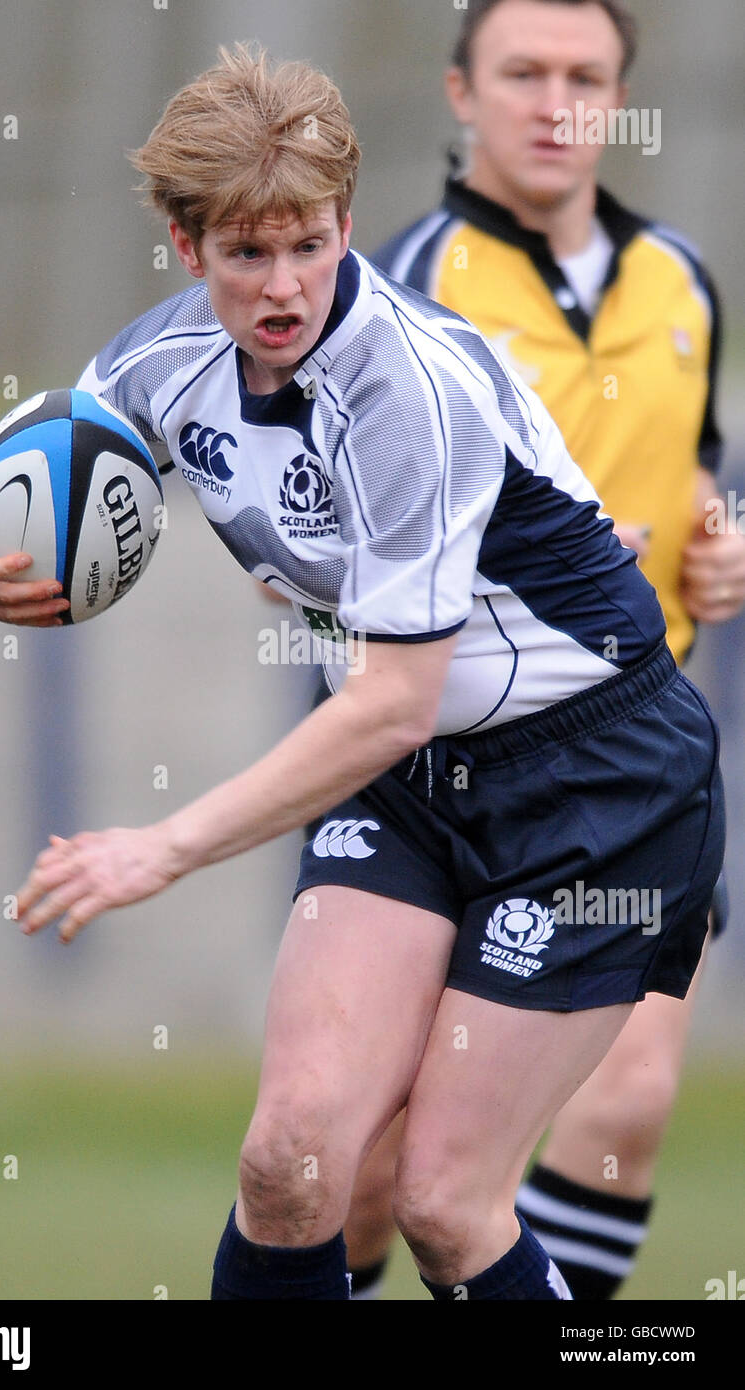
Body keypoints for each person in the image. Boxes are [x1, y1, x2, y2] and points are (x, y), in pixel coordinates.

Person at [0, 43, 725, 1301]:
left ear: (346, 222)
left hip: (597, 782)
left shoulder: (407, 384)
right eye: (245, 254)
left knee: (446, 1205)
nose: (283, 285)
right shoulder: (155, 365)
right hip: (416, 777)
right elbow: (40, 489)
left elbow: (392, 699)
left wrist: (164, 844)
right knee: (291, 1164)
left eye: (308, 244)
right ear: (187, 249)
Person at [342, 0, 745, 1301]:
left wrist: (718, 536)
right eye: (522, 71)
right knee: (366, 1166)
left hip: (632, 767)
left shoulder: (679, 278)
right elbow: (345, 538)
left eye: (585, 75)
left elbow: (693, 465)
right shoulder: (404, 286)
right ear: (461, 93)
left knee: (622, 1106)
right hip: (450, 762)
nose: (553, 99)